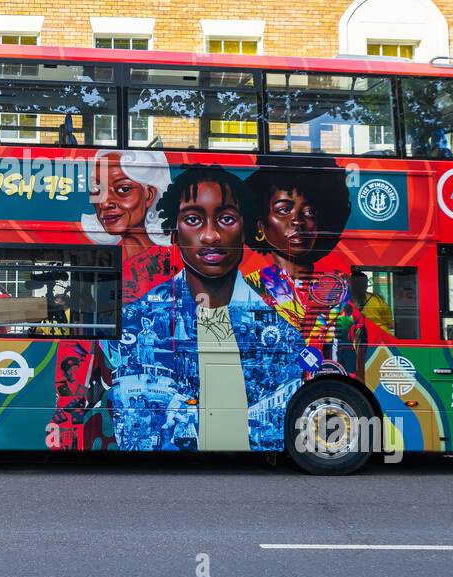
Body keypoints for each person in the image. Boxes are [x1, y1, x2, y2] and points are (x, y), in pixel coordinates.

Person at [100, 165, 306, 452]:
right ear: (174, 232)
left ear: (245, 230)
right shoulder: (139, 317)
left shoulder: (282, 324)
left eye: (226, 219)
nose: (211, 236)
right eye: (194, 219)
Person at [242, 157, 355, 369]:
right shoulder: (251, 285)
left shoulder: (339, 287)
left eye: (309, 212)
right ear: (260, 227)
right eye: (284, 210)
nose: (297, 221)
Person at [82, 149, 172, 301]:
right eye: (97, 190)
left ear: (149, 195)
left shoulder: (176, 259)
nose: (104, 203)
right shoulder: (106, 259)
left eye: (123, 189)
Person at [349, 270, 395, 335]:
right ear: (365, 285)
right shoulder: (377, 299)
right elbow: (389, 322)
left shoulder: (344, 301)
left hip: (360, 337)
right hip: (380, 336)